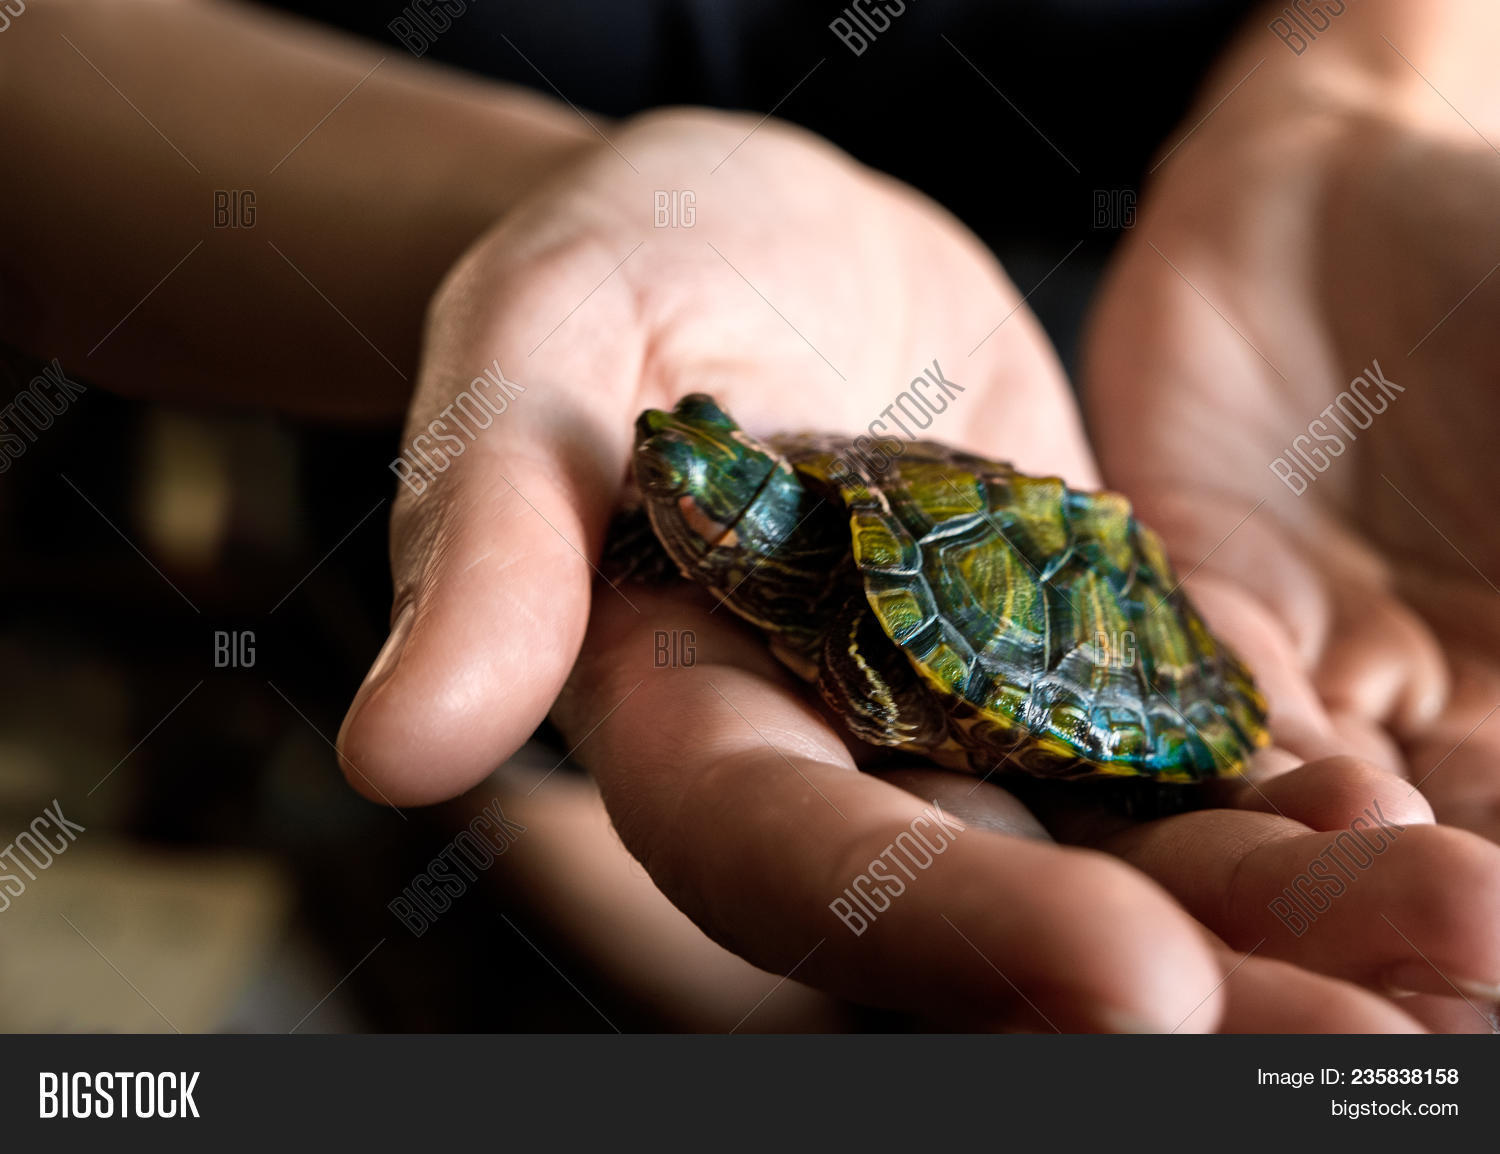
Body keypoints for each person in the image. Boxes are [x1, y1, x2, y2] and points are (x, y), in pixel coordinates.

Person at [5, 0, 1498, 1032]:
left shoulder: (827, 567)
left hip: (1190, 426)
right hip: (450, 397)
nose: (672, 474)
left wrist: (1353, 96)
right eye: (684, 474)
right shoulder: (694, 526)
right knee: (642, 828)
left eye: (701, 477)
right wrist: (520, 214)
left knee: (966, 948)